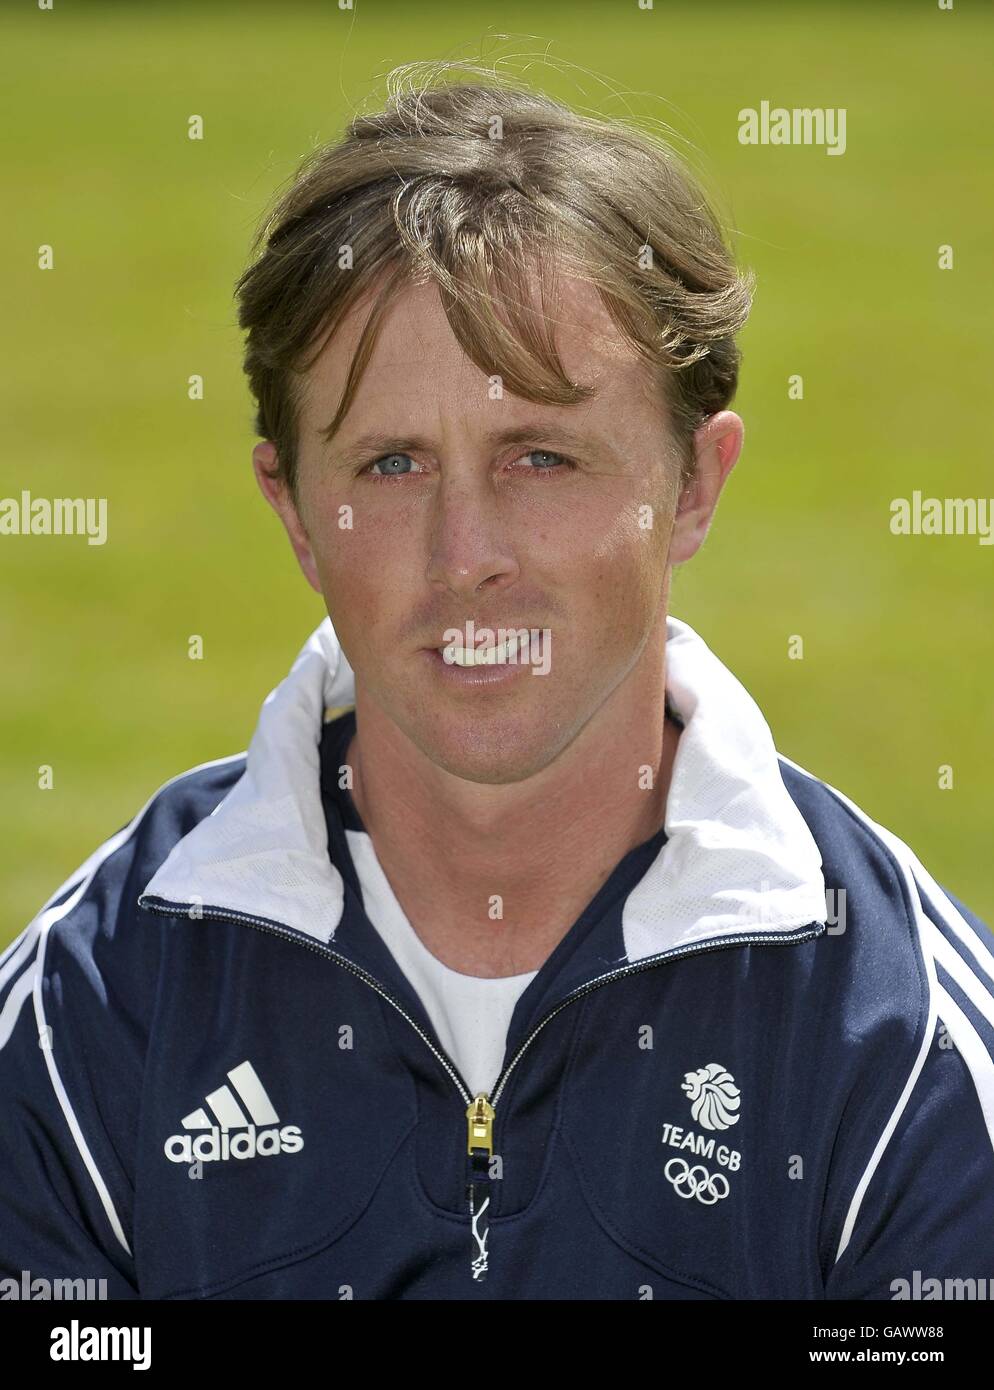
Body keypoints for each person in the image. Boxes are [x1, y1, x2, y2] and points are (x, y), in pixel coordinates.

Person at [2, 68, 992, 1302]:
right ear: (296, 510)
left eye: (541, 454)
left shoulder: (902, 1037)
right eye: (394, 460)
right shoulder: (92, 1007)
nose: (465, 555)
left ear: (691, 484)